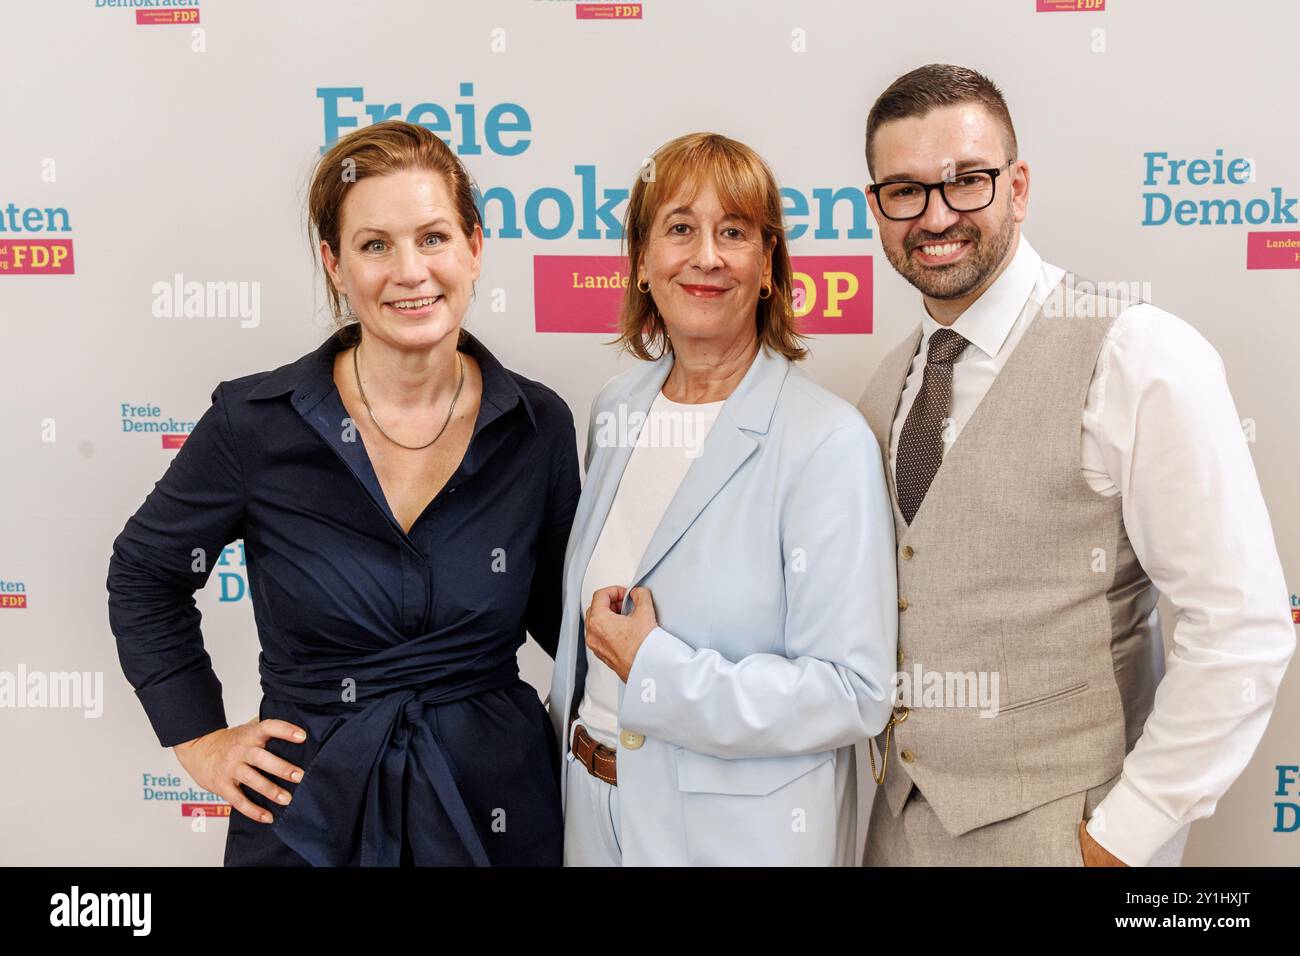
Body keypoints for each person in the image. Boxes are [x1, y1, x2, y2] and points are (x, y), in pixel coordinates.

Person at [106, 120, 580, 866]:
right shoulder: (254, 425)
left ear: (475, 248)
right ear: (334, 263)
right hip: (308, 813)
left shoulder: (536, 424)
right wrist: (198, 738)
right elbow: (145, 573)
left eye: (433, 238)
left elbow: (565, 618)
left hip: (494, 807)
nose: (410, 271)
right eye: (374, 245)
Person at [855, 64, 1294, 866]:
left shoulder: (1133, 352)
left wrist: (1120, 840)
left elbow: (1242, 625)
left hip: (1069, 831)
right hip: (899, 830)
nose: (937, 214)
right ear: (876, 208)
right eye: (905, 191)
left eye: (968, 182)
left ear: (1017, 188)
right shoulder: (889, 384)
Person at [550, 132, 897, 866]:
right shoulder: (616, 410)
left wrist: (655, 667)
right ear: (642, 262)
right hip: (589, 810)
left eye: (734, 232)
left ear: (767, 267)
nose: (705, 256)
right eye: (679, 228)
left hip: (735, 841)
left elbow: (853, 691)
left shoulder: (825, 441)